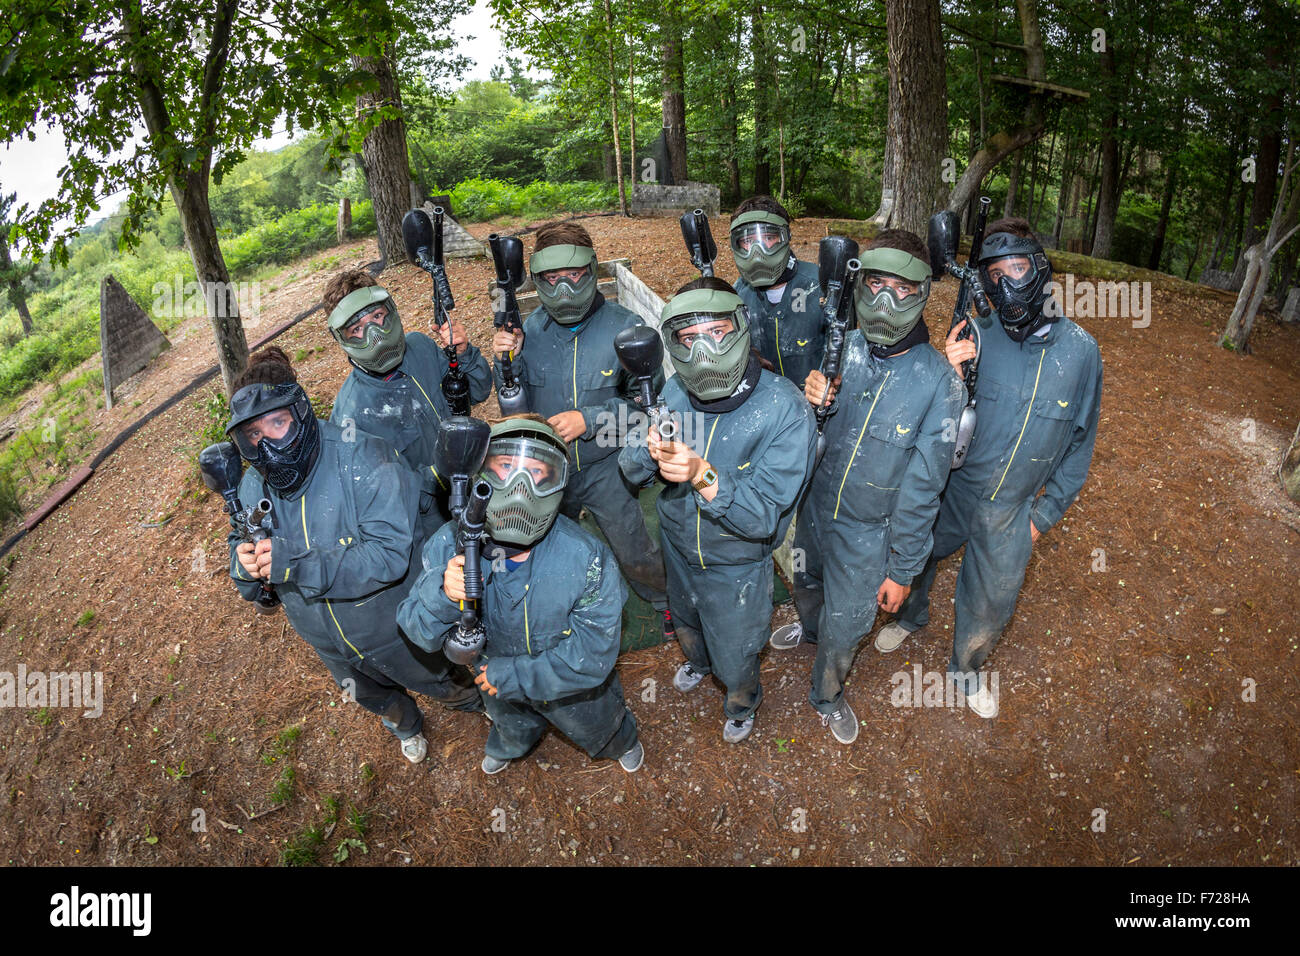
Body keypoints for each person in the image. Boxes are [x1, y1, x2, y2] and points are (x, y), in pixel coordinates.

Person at [877, 218, 1104, 718]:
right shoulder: (975, 333)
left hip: (1013, 507)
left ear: (1041, 269)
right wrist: (950, 375)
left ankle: (966, 667)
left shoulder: (1083, 353)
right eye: (994, 274)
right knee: (919, 554)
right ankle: (911, 618)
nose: (1007, 283)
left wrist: (1041, 518)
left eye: (1017, 267)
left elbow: (1080, 446)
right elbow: (933, 425)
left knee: (991, 598)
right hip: (955, 488)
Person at [225, 347, 479, 763]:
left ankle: (470, 703)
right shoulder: (253, 485)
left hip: (393, 630)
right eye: (254, 434)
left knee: (437, 678)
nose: (268, 443)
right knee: (371, 694)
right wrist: (244, 565)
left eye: (277, 422)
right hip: (324, 638)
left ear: (300, 411)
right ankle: (405, 724)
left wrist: (297, 563)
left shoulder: (364, 456)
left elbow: (388, 557)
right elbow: (241, 541)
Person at [767, 230, 966, 744]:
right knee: (806, 585)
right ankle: (808, 630)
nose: (884, 300)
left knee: (849, 623)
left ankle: (827, 694)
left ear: (924, 293)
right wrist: (812, 398)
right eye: (875, 284)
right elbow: (807, 436)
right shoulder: (843, 347)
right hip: (814, 511)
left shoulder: (940, 383)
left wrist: (902, 569)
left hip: (868, 534)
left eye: (902, 289)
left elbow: (925, 491)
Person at [619, 277, 818, 743]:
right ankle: (697, 661)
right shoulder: (673, 390)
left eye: (717, 332)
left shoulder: (784, 408)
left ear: (741, 328)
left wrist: (702, 474)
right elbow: (630, 474)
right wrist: (646, 449)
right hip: (678, 546)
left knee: (737, 652)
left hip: (737, 564)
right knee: (687, 625)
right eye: (688, 339)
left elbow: (766, 515)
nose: (703, 350)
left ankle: (741, 702)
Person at [397, 415, 644, 775]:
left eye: (538, 473)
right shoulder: (449, 545)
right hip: (492, 679)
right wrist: (442, 593)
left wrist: (510, 675)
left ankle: (618, 740)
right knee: (511, 725)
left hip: (568, 686)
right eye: (506, 467)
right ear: (482, 473)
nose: (520, 488)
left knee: (597, 722)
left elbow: (592, 656)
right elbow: (417, 631)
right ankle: (510, 746)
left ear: (558, 485)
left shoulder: (587, 558)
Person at [490, 222, 670, 636]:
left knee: (635, 548)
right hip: (545, 471)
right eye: (552, 280)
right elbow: (510, 404)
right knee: (541, 547)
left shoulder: (626, 329)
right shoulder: (527, 332)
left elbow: (648, 408)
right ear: (537, 280)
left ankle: (665, 601)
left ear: (591, 272)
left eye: (573, 277)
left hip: (607, 466)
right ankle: (553, 613)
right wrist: (506, 363)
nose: (564, 290)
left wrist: (589, 419)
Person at [325, 267, 493, 518]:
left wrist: (463, 354)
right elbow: (373, 499)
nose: (375, 336)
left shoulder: (421, 347)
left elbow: (478, 392)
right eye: (357, 329)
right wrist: (438, 473)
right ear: (343, 339)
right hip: (427, 527)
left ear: (390, 310)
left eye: (377, 317)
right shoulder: (351, 417)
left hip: (476, 494)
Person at [729, 195, 824, 388]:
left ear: (785, 237)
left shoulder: (821, 288)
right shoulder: (736, 297)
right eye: (748, 241)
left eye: (769, 238)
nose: (758, 251)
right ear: (737, 245)